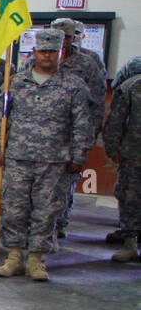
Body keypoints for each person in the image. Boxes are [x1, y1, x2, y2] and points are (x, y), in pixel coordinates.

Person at [0, 29, 91, 281]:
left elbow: (82, 123)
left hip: (55, 160)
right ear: (34, 52)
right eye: (42, 50)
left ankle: (36, 259)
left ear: (61, 53)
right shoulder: (15, 83)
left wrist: (79, 155)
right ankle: (13, 256)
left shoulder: (73, 85)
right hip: (17, 157)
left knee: (46, 211)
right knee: (14, 209)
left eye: (52, 51)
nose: (47, 55)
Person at [49, 17, 106, 238]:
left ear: (74, 38)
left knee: (64, 183)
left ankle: (58, 224)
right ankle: (44, 227)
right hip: (41, 135)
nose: (62, 42)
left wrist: (90, 135)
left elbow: (97, 102)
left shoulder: (88, 64)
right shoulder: (37, 61)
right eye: (57, 37)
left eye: (66, 38)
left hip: (72, 135)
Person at [103, 64, 141, 262]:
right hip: (134, 155)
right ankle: (129, 244)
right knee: (130, 197)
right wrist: (113, 148)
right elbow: (115, 121)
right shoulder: (131, 87)